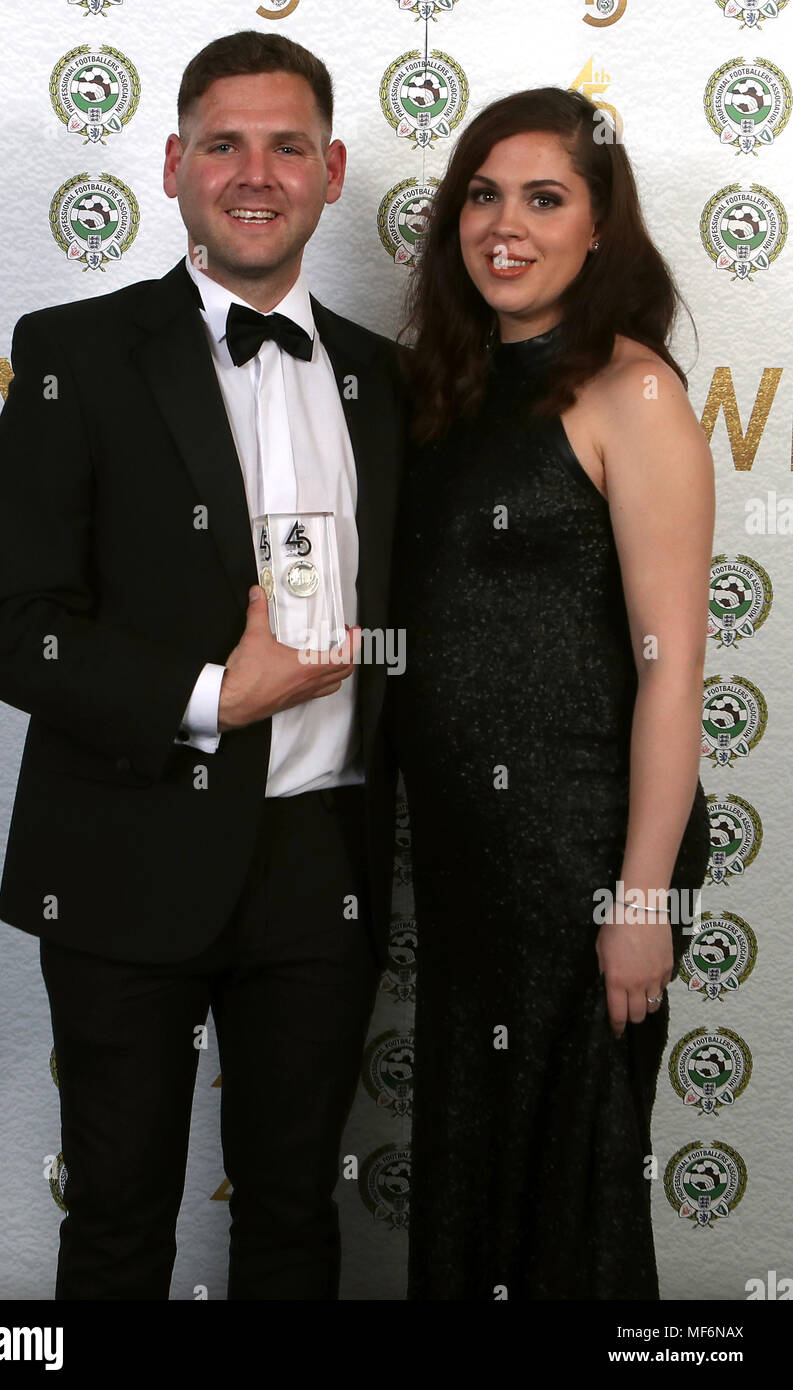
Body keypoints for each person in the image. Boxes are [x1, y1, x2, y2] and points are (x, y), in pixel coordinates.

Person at [0, 30, 405, 1300]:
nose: (254, 173)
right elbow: (6, 624)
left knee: (293, 1219)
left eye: (285, 147)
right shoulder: (76, 353)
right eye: (223, 144)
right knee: (116, 1223)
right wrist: (216, 696)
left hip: (322, 864)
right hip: (124, 849)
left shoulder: (387, 380)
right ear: (172, 165)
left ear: (329, 173)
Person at [390, 87, 714, 1300]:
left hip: (585, 855)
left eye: (542, 198)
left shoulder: (631, 393)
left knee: (569, 1188)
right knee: (477, 1173)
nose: (503, 225)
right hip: (470, 863)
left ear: (598, 226)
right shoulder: (451, 392)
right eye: (481, 195)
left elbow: (670, 664)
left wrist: (639, 895)